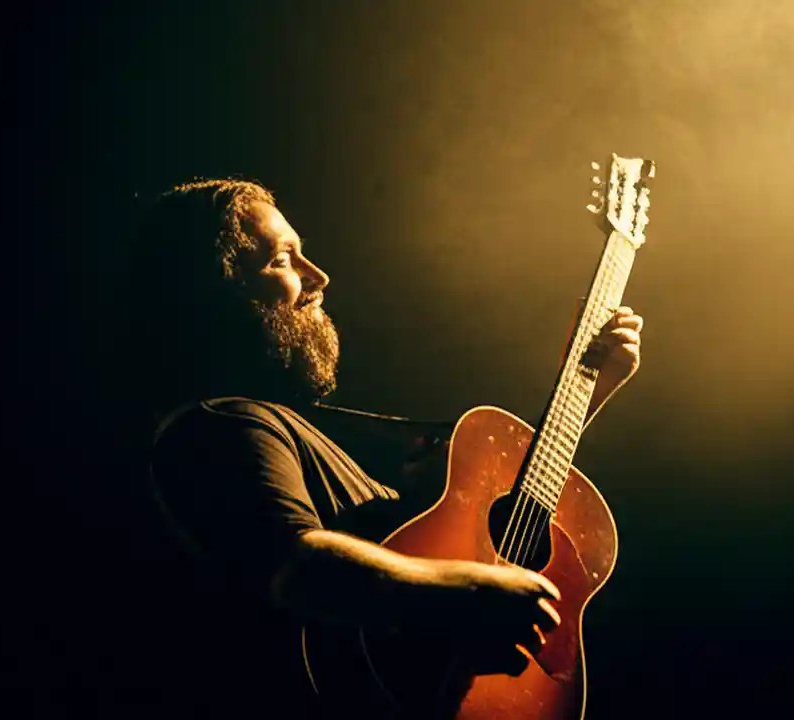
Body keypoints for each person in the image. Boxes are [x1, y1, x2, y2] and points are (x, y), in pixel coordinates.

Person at [124, 178, 643, 717]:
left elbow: (491, 532)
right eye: (282, 260)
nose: (319, 277)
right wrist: (464, 592)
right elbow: (296, 565)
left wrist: (586, 393)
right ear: (213, 294)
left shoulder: (308, 434)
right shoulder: (217, 426)